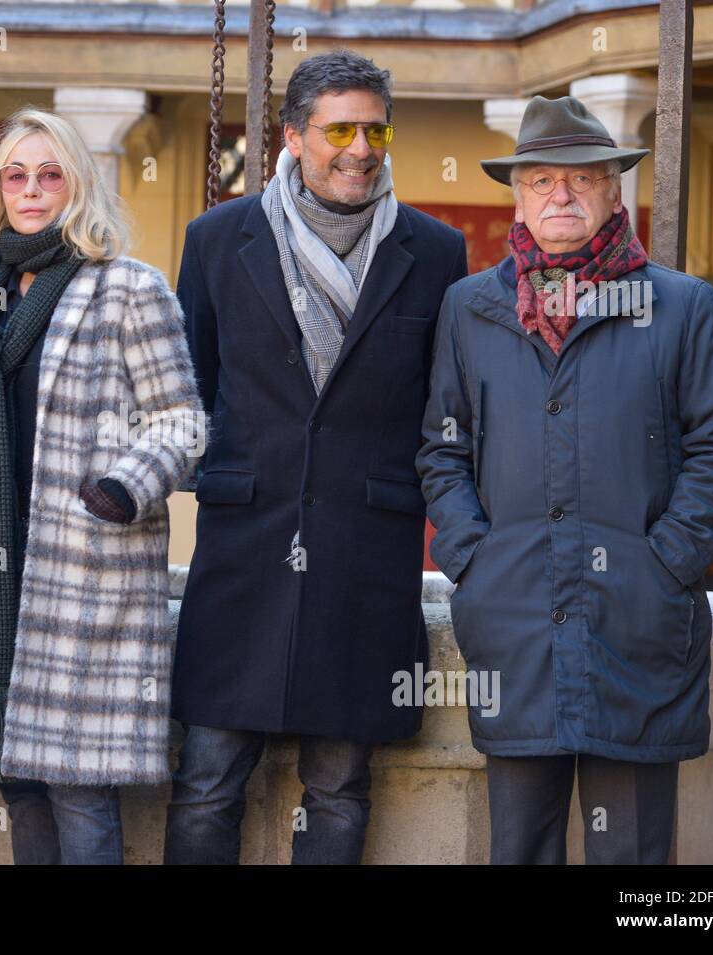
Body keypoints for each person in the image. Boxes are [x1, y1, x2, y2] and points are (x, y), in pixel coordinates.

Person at [416, 94, 713, 864]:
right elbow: (441, 446)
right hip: (515, 622)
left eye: (579, 179)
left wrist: (665, 561)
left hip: (641, 628)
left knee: (632, 859)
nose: (559, 196)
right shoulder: (470, 308)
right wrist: (476, 554)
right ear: (519, 195)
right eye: (539, 180)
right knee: (521, 849)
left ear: (613, 190)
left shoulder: (684, 307)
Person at [165, 50, 468, 865]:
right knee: (204, 783)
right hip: (244, 546)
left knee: (338, 788)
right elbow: (191, 389)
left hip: (366, 551)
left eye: (375, 127)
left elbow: (444, 409)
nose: (361, 147)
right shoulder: (217, 239)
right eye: (339, 128)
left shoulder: (436, 252)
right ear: (293, 137)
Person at [0, 108, 203, 865]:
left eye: (51, 175)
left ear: (77, 185)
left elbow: (182, 420)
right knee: (18, 779)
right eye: (17, 175)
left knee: (79, 784)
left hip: (82, 566)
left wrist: (124, 484)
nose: (33, 190)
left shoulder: (128, 290)